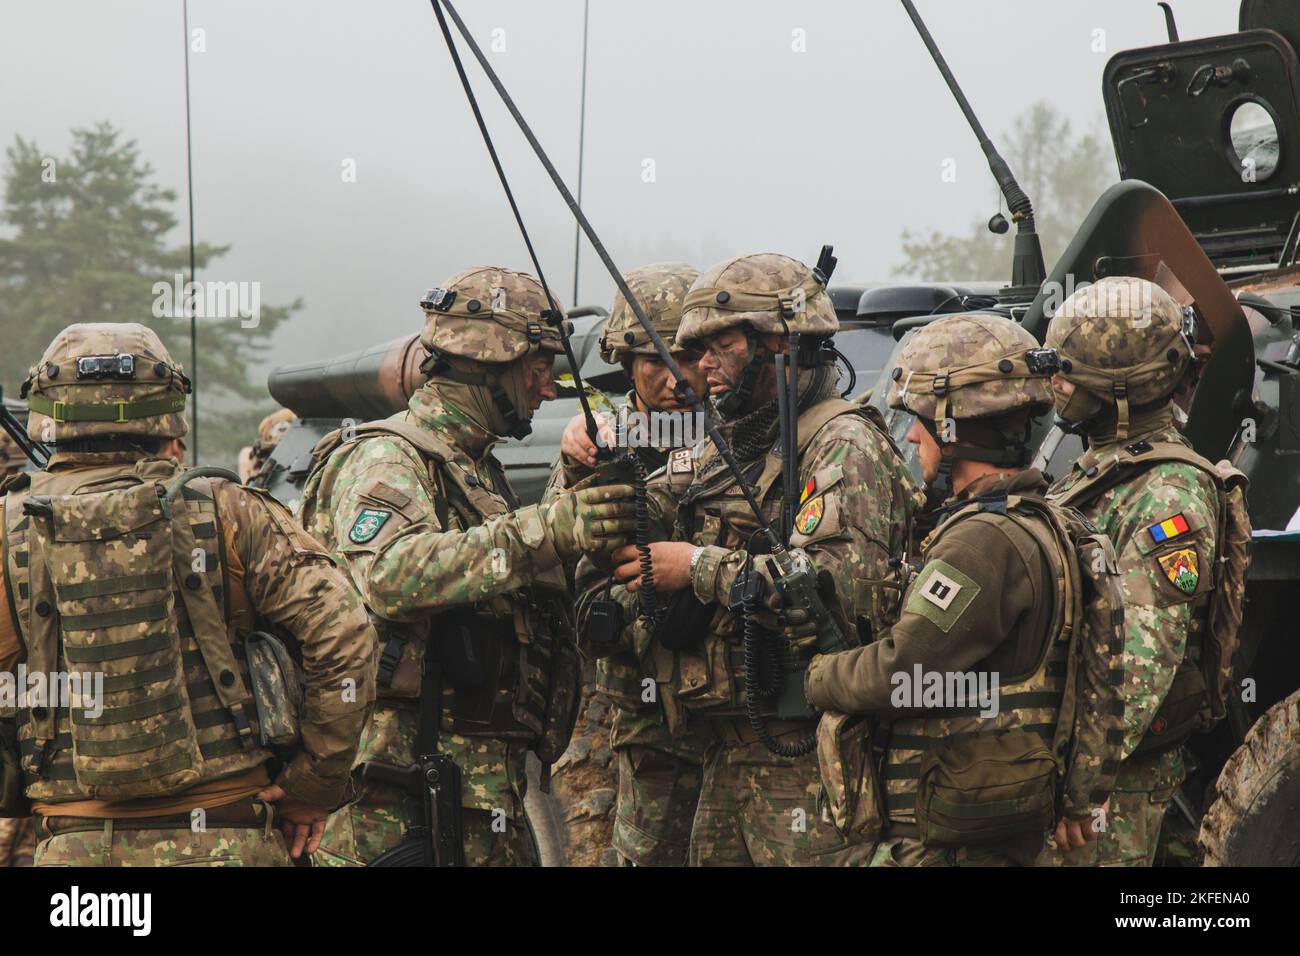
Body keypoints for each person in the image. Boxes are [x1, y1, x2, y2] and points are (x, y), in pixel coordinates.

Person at [0, 322, 375, 866]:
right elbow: (346, 634)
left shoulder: (9, 529)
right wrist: (314, 783)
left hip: (76, 854)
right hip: (230, 837)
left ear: (48, 411)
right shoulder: (233, 510)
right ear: (167, 410)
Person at [299, 266, 639, 866]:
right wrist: (551, 528)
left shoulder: (474, 471)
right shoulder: (388, 456)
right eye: (538, 370)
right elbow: (390, 575)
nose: (550, 390)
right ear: (490, 363)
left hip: (475, 794)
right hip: (398, 801)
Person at [613, 252, 920, 865]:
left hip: (806, 755)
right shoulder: (731, 445)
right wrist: (591, 470)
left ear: (781, 344)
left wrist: (697, 568)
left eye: (720, 346)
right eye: (696, 350)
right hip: (725, 746)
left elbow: (843, 592)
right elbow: (642, 515)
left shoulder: (843, 443)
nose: (702, 367)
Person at [805, 312, 1122, 866]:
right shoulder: (1052, 521)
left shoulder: (981, 543)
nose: (909, 435)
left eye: (920, 421)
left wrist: (816, 675)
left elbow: (901, 673)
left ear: (954, 427)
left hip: (950, 842)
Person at [1036, 276, 1248, 866]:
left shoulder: (1167, 492)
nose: (1056, 383)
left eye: (1068, 370)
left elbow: (1140, 666)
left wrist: (1075, 788)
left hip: (1110, 788)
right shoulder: (1100, 466)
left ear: (1119, 384)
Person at [549, 262, 713, 866]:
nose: (678, 379)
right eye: (656, 361)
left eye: (692, 357)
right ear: (625, 363)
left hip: (723, 702)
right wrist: (576, 468)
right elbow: (555, 554)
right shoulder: (600, 440)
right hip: (619, 703)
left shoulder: (747, 437)